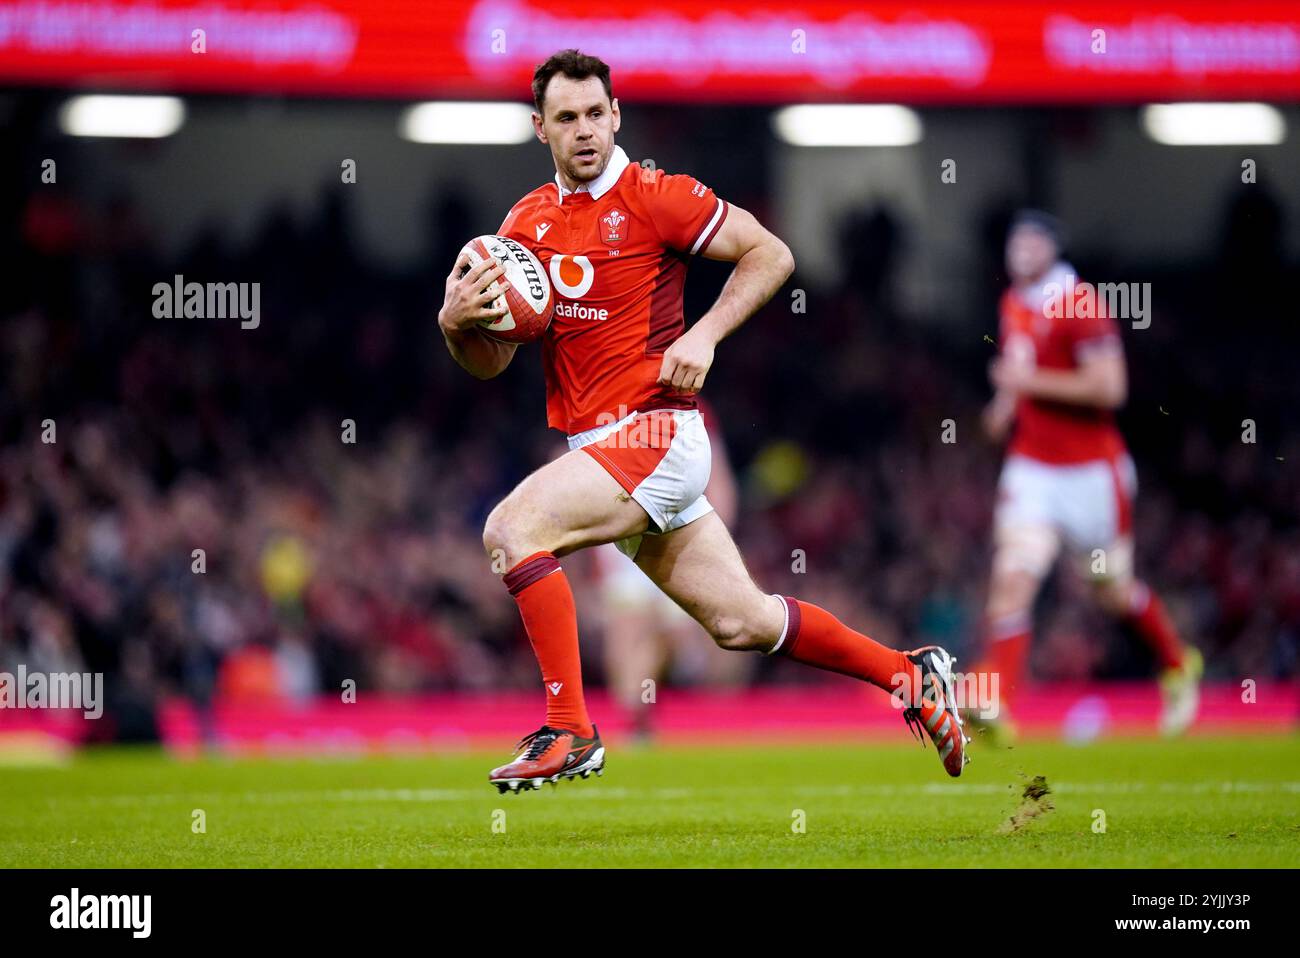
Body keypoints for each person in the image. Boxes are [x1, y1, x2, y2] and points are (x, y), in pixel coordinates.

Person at [436, 49, 968, 792]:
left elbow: (770, 254)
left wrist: (705, 333)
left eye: (597, 113)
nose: (585, 130)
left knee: (512, 530)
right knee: (742, 623)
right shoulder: (523, 225)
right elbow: (490, 363)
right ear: (540, 127)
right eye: (567, 117)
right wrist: (457, 323)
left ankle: (571, 729)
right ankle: (910, 674)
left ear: (616, 116)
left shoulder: (657, 196)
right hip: (605, 451)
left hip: (655, 434)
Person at [971, 210, 1202, 742]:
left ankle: (1175, 662)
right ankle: (998, 702)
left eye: (1034, 241)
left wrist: (1029, 382)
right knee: (1013, 573)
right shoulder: (1013, 302)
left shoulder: (1082, 304)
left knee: (1110, 590)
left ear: (1054, 249)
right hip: (1033, 467)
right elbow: (1018, 371)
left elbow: (1110, 388)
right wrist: (1004, 407)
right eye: (1016, 240)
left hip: (1090, 475)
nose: (1022, 250)